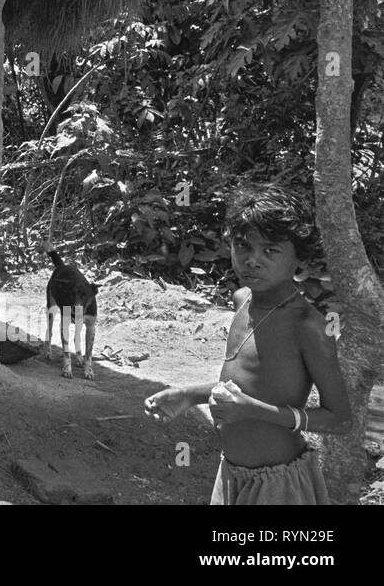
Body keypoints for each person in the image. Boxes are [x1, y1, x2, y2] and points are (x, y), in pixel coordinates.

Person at [144, 185, 352, 504]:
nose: (252, 260)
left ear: (298, 260)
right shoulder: (242, 301)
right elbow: (242, 387)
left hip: (279, 486)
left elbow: (340, 419)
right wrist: (188, 395)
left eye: (270, 251)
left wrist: (257, 412)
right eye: (243, 246)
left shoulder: (308, 326)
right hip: (230, 475)